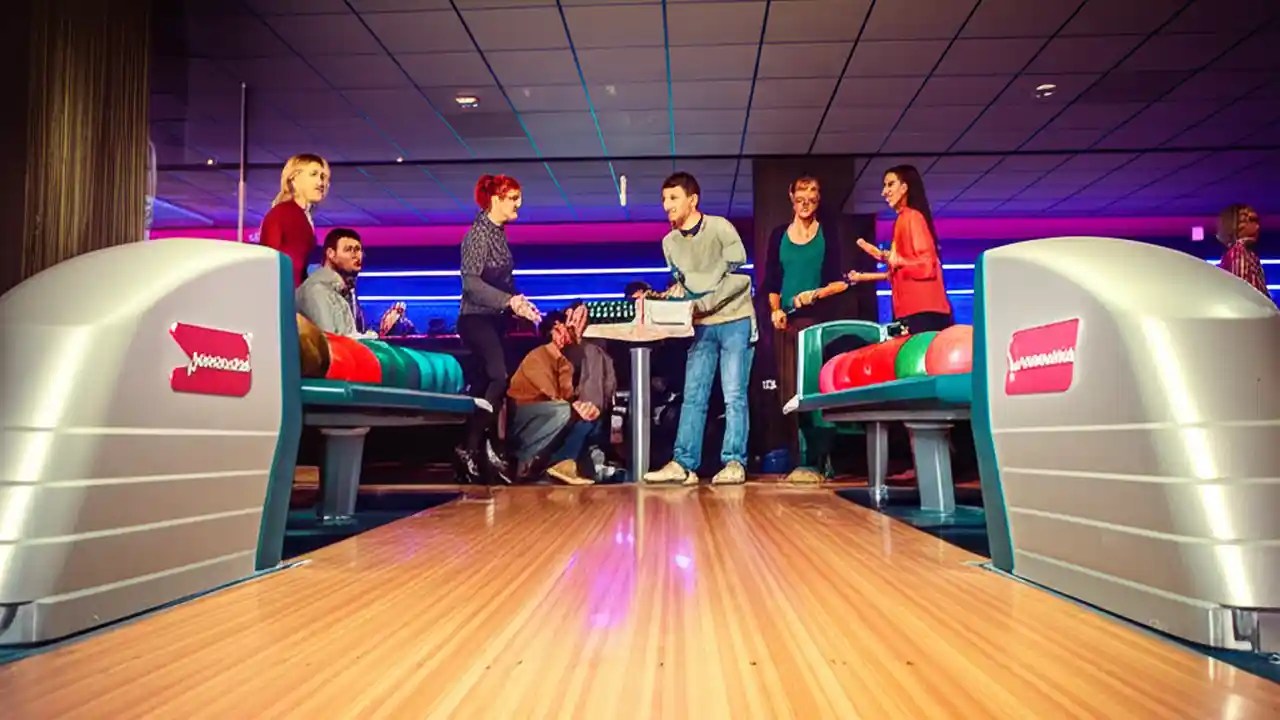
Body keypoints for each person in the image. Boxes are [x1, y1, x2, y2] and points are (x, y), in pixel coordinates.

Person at [642, 172, 755, 486]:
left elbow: (737, 269)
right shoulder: (669, 242)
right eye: (664, 199)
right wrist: (661, 299)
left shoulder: (719, 227)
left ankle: (734, 462)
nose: (667, 205)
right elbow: (683, 286)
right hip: (701, 326)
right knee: (693, 396)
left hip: (735, 320)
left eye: (674, 198)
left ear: (693, 200)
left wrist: (701, 301)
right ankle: (683, 464)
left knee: (734, 394)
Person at [762, 175, 850, 483]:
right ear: (791, 196)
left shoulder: (829, 234)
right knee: (790, 392)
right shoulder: (778, 236)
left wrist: (815, 294)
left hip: (818, 323)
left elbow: (841, 282)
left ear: (819, 200)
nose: (806, 203)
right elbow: (772, 281)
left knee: (815, 388)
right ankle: (798, 460)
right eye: (801, 197)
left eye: (812, 197)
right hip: (787, 324)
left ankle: (819, 460)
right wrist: (775, 311)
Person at [455, 174, 542, 484]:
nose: (519, 203)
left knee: (485, 386)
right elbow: (472, 284)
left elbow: (504, 284)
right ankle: (469, 448)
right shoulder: (477, 235)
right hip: (475, 319)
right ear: (495, 199)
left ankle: (481, 449)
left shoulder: (499, 234)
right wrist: (510, 301)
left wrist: (520, 304)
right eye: (513, 197)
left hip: (495, 320)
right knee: (498, 376)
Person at [849, 164, 952, 334]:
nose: (884, 192)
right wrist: (868, 271)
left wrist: (896, 260)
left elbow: (927, 266)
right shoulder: (902, 220)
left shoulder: (913, 218)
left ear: (904, 188)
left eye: (890, 184)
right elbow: (896, 273)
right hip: (910, 312)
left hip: (923, 312)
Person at [507, 311, 601, 485]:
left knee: (589, 419)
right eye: (568, 327)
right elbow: (553, 396)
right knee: (564, 411)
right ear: (556, 328)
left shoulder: (565, 362)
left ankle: (562, 463)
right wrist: (575, 407)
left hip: (550, 413)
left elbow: (568, 396)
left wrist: (585, 409)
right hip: (523, 418)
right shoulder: (538, 356)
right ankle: (527, 459)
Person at [295, 228, 405, 337]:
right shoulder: (316, 291)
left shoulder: (346, 293)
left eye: (358, 250)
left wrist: (382, 331)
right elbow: (331, 344)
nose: (356, 255)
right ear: (331, 254)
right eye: (349, 249)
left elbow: (350, 340)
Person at [260, 153, 330, 288]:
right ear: (294, 179)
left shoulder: (302, 215)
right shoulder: (283, 214)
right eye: (313, 174)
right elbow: (274, 266)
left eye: (322, 176)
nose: (320, 182)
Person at [1216, 203, 1272, 302]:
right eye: (1251, 220)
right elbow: (1246, 298)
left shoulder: (1240, 253)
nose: (1257, 227)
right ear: (1235, 224)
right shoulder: (1239, 253)